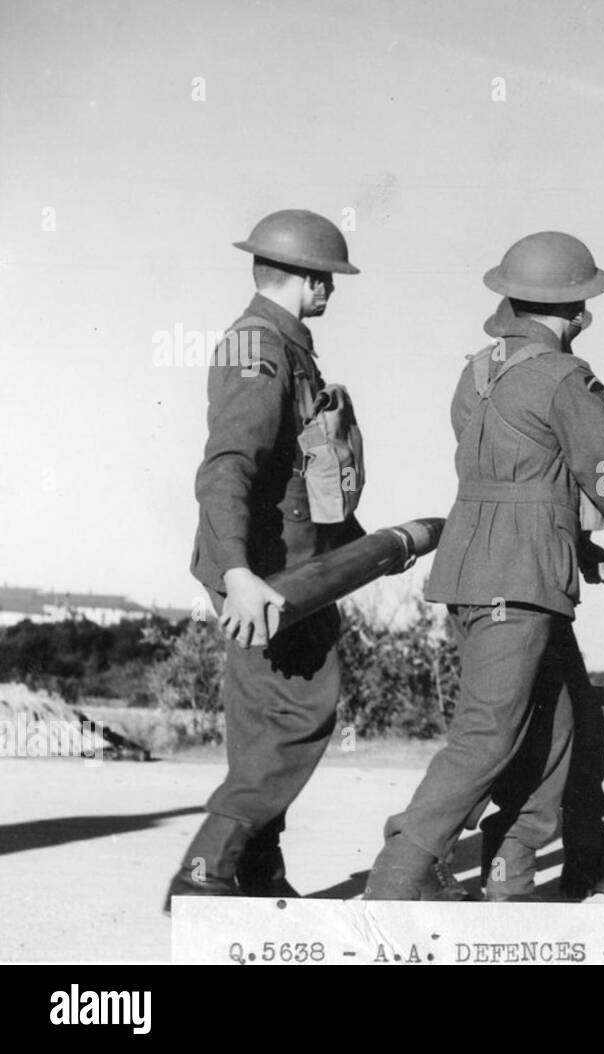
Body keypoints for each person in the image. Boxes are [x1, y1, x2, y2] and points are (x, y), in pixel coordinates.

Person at [364, 232, 604, 902]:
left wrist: (578, 546)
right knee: (489, 733)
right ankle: (399, 872)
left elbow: (515, 471)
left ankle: (520, 872)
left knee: (570, 730)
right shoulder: (561, 378)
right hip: (521, 581)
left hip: (484, 569)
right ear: (578, 305)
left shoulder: (477, 371)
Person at [165, 209, 365, 911]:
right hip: (268, 574)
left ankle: (255, 867)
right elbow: (227, 468)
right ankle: (207, 866)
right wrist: (237, 575)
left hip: (295, 567)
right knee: (297, 716)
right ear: (304, 274)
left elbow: (307, 471)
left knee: (266, 725)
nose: (332, 290)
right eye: (327, 277)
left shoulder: (285, 345)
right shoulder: (258, 346)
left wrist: (362, 552)